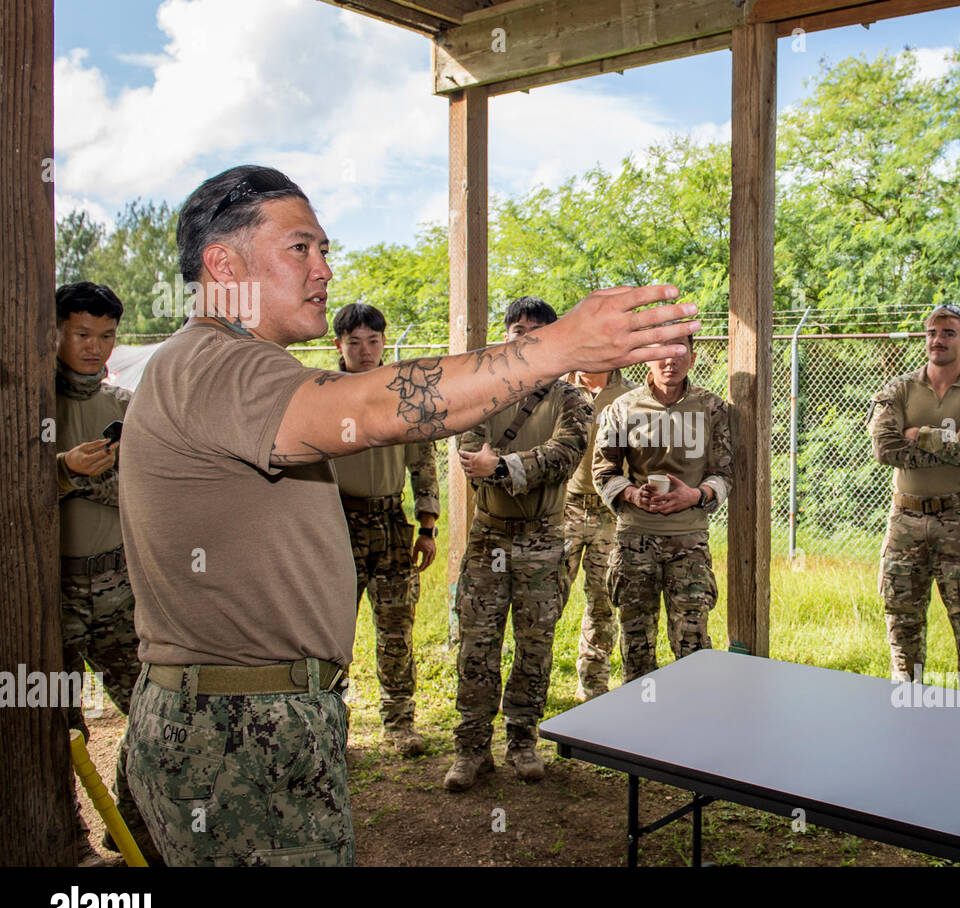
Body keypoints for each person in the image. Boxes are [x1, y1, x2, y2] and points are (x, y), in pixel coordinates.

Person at [118, 165, 700, 866]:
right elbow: (370, 407)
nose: (324, 270)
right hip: (238, 730)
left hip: (253, 716)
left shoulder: (226, 366)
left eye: (324, 250)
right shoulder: (216, 364)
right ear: (223, 263)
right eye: (300, 249)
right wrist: (557, 347)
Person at [445, 297, 590, 790]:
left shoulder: (571, 399)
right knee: (477, 645)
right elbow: (470, 451)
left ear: (550, 337)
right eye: (515, 329)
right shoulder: (483, 393)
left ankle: (523, 741)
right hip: (490, 538)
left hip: (544, 540)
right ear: (505, 335)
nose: (522, 336)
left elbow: (563, 455)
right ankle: (470, 749)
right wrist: (496, 466)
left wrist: (503, 465)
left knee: (535, 646)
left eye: (534, 330)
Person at [54, 281, 160, 864]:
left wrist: (78, 482)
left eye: (106, 336)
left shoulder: (123, 407)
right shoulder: (27, 402)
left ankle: (142, 836)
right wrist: (66, 470)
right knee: (55, 726)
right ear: (56, 333)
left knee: (148, 708)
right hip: (53, 595)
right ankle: (68, 845)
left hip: (119, 590)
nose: (94, 347)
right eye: (81, 334)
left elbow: (147, 492)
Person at [869, 304, 960, 687]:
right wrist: (955, 439)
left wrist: (922, 434)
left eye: (948, 333)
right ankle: (908, 706)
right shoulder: (900, 389)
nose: (938, 340)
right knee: (903, 624)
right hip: (906, 523)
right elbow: (885, 449)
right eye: (932, 332)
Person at [592, 332, 733, 683]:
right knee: (636, 641)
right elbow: (603, 470)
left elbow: (725, 473)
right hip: (635, 540)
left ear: (693, 358)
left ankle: (691, 721)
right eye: (661, 353)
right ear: (646, 358)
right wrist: (630, 494)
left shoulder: (710, 408)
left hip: (689, 542)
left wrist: (697, 495)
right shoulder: (624, 409)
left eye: (678, 352)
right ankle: (639, 727)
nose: (670, 361)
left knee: (693, 642)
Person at [331, 303, 438, 757]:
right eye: (354, 342)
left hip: (392, 524)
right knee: (333, 630)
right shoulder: (325, 394)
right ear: (338, 346)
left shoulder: (402, 395)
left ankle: (399, 723)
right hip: (338, 524)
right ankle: (332, 726)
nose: (365, 350)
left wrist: (428, 524)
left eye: (373, 341)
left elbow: (423, 463)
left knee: (396, 627)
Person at [561, 364, 632, 700]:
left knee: (603, 602)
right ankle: (528, 684)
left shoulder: (632, 395)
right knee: (544, 600)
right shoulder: (557, 391)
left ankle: (593, 688)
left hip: (611, 510)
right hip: (564, 507)